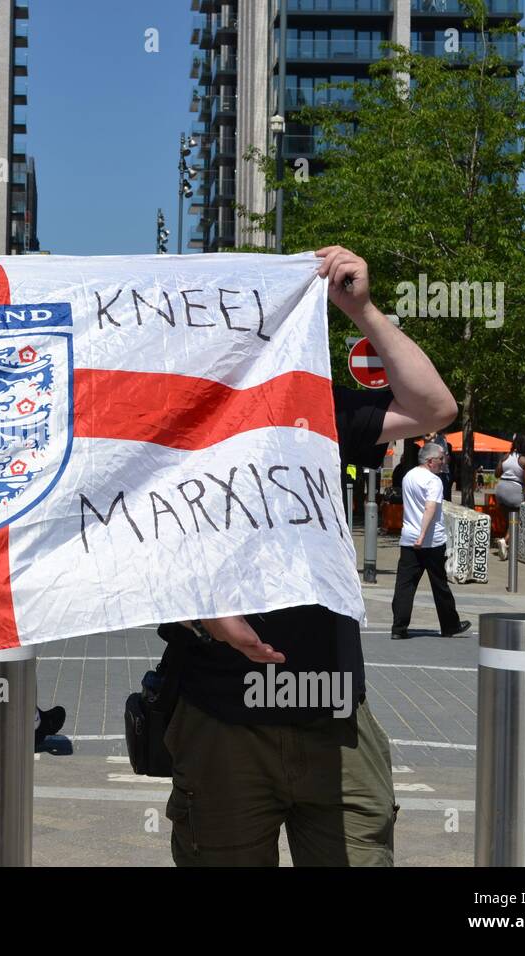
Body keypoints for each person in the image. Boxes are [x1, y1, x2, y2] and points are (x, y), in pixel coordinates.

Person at [164, 246, 458, 867]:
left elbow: (436, 409)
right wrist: (203, 613)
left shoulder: (317, 411)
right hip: (223, 716)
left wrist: (362, 310)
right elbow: (129, 547)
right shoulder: (170, 425)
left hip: (334, 714)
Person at [389, 443, 471, 640]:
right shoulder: (434, 481)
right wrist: (422, 535)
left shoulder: (409, 476)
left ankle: (398, 628)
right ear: (430, 461)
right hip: (431, 540)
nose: (443, 462)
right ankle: (450, 625)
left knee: (405, 585)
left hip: (408, 539)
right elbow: (430, 508)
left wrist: (416, 536)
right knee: (439, 585)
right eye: (441, 459)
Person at [492, 434, 525, 559]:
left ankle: (506, 549)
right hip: (515, 490)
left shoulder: (505, 457)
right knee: (516, 521)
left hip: (501, 489)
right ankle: (504, 541)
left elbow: (497, 474)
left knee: (510, 521)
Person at [423, 431, 452, 501]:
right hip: (433, 473)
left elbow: (445, 459)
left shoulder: (441, 438)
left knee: (442, 499)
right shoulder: (428, 436)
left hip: (441, 473)